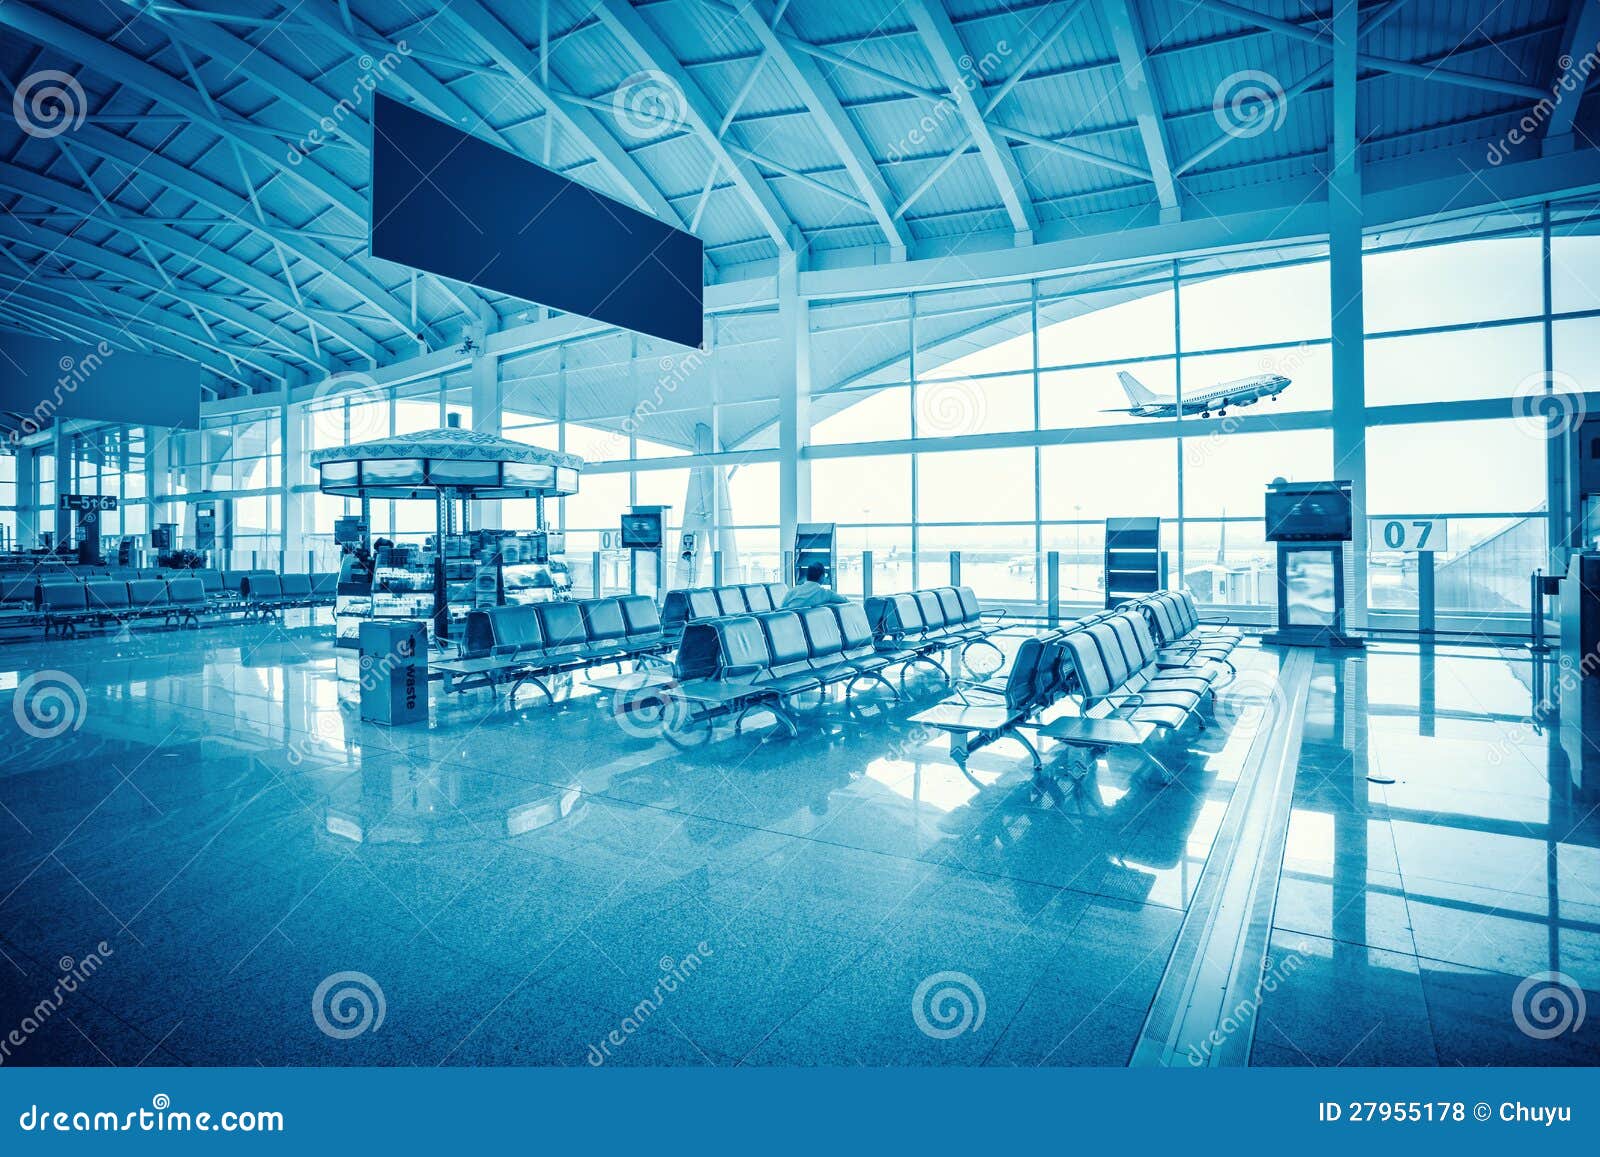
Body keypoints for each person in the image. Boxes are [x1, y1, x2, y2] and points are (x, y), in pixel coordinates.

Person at [782, 563, 846, 609]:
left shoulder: (792, 591)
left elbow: (782, 609)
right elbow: (846, 602)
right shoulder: (826, 593)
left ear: (807, 576)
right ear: (821, 577)